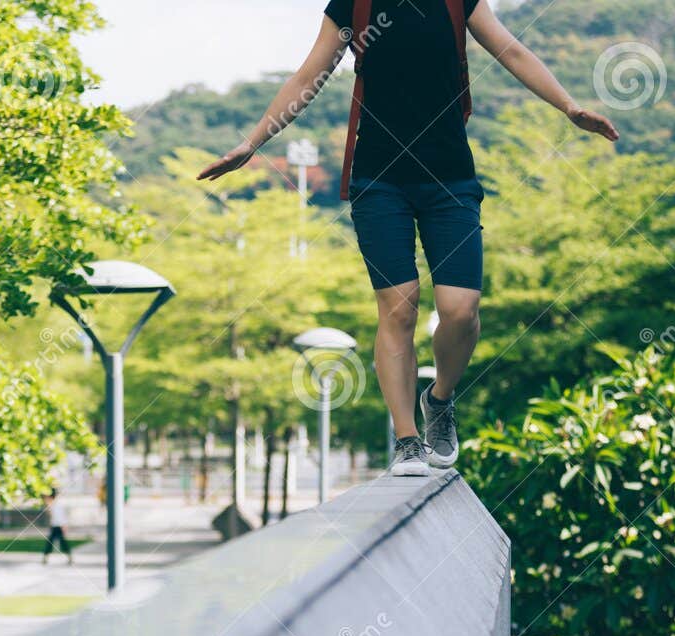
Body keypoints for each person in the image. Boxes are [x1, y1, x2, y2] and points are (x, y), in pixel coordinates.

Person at [198, 1, 618, 476]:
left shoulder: (460, 2)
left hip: (450, 180)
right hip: (379, 181)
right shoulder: (354, 6)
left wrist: (570, 106)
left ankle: (438, 399)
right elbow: (307, 77)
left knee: (461, 310)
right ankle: (407, 440)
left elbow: (512, 52)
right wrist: (252, 144)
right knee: (398, 307)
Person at [43, 490, 74, 565]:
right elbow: (51, 516)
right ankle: (45, 558)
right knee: (50, 542)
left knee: (63, 542)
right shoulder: (52, 505)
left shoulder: (57, 505)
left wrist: (64, 526)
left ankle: (69, 557)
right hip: (54, 526)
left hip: (59, 526)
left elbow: (61, 517)